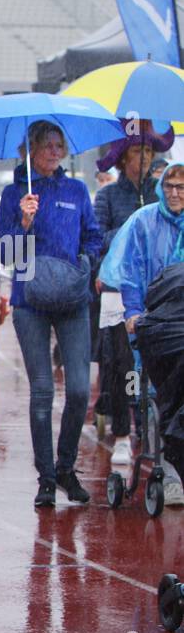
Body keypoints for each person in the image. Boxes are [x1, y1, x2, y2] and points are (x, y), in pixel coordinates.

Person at [0, 120, 104, 507]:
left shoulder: (76, 190)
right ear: (31, 149)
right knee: (42, 390)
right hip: (30, 301)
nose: (55, 152)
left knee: (77, 389)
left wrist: (85, 262)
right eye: (47, 146)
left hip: (73, 299)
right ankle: (45, 477)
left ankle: (66, 467)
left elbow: (93, 234)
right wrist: (23, 223)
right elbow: (5, 254)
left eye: (60, 146)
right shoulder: (14, 194)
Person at [99, 161, 184, 506]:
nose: (175, 194)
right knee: (151, 389)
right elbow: (130, 271)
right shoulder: (144, 222)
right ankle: (172, 468)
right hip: (156, 326)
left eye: (182, 188)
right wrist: (133, 313)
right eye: (170, 187)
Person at [92, 124, 175, 467]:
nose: (143, 159)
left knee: (158, 361)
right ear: (124, 159)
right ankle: (122, 431)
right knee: (120, 361)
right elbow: (97, 240)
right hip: (117, 289)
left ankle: (152, 425)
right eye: (137, 153)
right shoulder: (108, 196)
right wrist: (131, 233)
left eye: (147, 153)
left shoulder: (161, 195)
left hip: (157, 290)